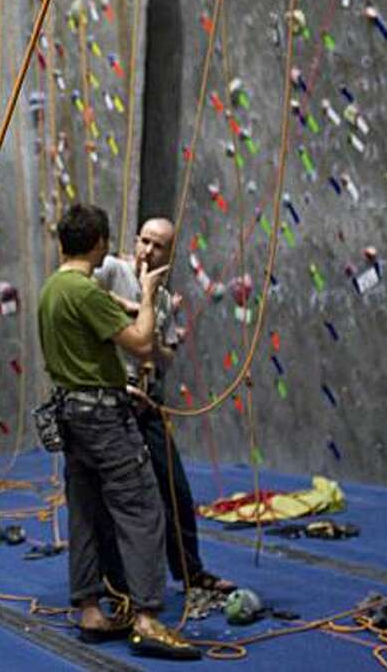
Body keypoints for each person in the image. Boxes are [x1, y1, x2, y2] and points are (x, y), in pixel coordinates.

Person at [36, 204, 199, 659]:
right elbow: (143, 343)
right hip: (103, 417)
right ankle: (147, 618)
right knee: (143, 507)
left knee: (86, 511)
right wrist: (147, 294)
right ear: (101, 244)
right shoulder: (84, 291)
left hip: (71, 414)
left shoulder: (53, 289)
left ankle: (89, 608)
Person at [94, 218, 236, 595]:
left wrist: (151, 339)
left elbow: (167, 357)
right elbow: (80, 295)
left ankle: (190, 570)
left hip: (147, 397)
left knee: (175, 488)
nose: (147, 251)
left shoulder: (160, 295)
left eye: (158, 246)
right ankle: (112, 582)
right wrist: (133, 306)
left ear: (169, 255)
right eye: (144, 241)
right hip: (111, 394)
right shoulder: (112, 270)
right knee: (115, 495)